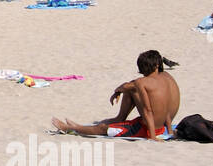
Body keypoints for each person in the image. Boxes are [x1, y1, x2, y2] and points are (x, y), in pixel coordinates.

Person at [52, 50, 180, 141]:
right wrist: (168, 131)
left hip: (147, 129)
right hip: (162, 127)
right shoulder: (167, 78)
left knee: (103, 128)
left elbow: (148, 111)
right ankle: (111, 120)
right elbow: (167, 109)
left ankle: (71, 128)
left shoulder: (142, 82)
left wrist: (152, 137)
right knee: (132, 90)